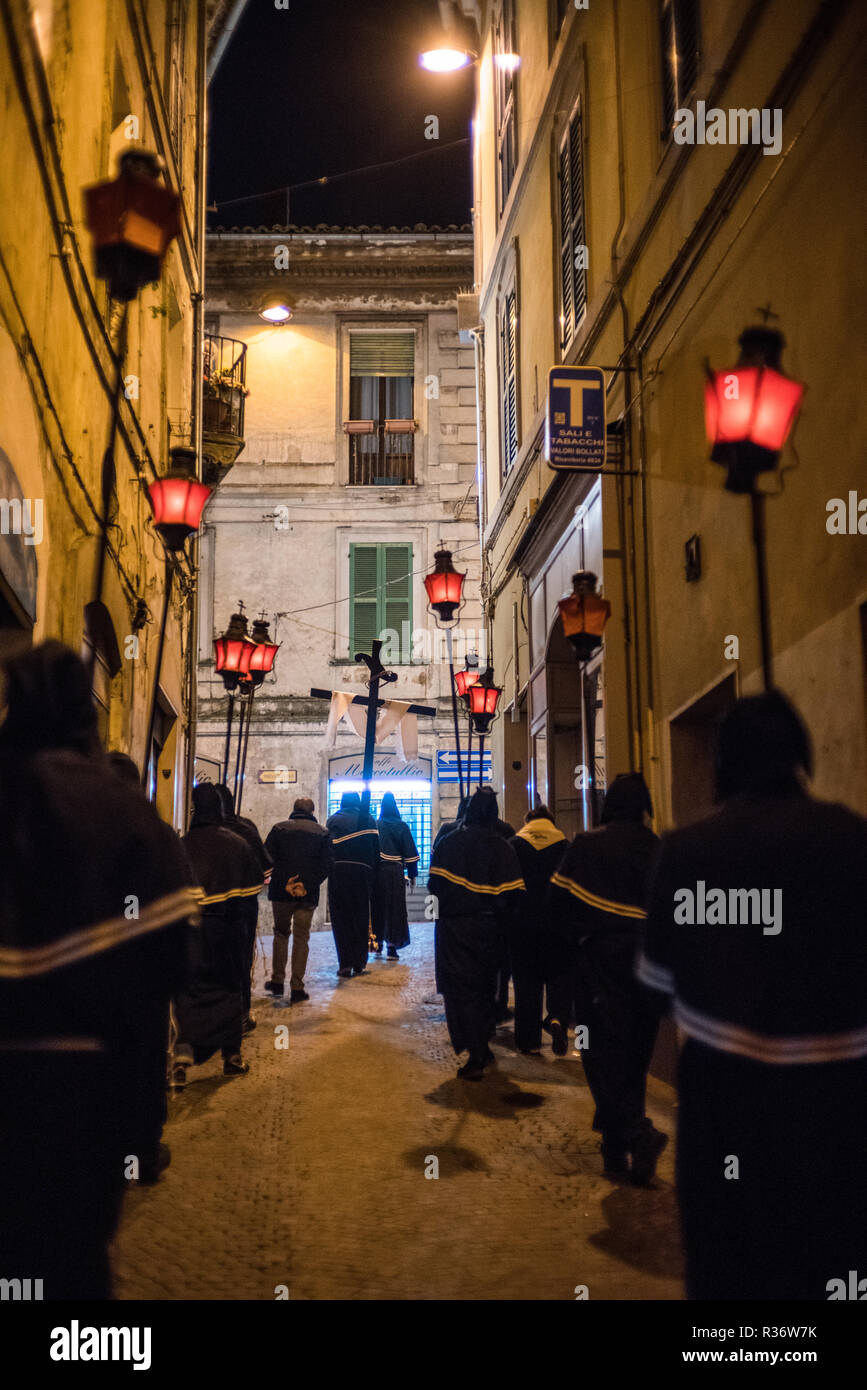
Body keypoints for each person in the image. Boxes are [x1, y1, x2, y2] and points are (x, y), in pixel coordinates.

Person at [637, 693, 867, 1299]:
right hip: (844, 1106)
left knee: (729, 1276)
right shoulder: (854, 840)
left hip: (727, 1107)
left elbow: (656, 986)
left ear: (722, 764)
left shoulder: (687, 853)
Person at [0, 642, 199, 1299]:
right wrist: (140, 1136)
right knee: (68, 1269)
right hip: (85, 1095)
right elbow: (164, 974)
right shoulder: (126, 817)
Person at [549, 773, 664, 1183]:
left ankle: (636, 1133)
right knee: (634, 1059)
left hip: (599, 968)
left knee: (600, 1058)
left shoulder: (586, 847)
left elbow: (557, 908)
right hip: (649, 972)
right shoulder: (658, 850)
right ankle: (615, 1151)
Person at [429, 788, 525, 1079]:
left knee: (461, 991)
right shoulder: (503, 847)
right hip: (491, 930)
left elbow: (435, 886)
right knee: (485, 989)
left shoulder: (449, 842)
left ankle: (476, 1050)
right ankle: (482, 1042)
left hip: (456, 930)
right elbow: (514, 898)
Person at [172, 783, 265, 1085]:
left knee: (189, 992)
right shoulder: (237, 845)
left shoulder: (181, 847)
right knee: (229, 990)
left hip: (191, 934)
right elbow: (252, 892)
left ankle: (182, 1056)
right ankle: (232, 1057)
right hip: (228, 933)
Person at [507, 806, 567, 1053]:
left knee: (526, 984)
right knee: (558, 977)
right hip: (558, 926)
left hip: (523, 925)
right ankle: (557, 1017)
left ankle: (528, 1040)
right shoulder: (566, 846)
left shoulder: (514, 845)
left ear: (527, 821)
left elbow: (508, 886)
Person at [264, 796, 332, 1001]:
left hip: (281, 893)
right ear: (312, 812)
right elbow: (328, 864)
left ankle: (277, 982)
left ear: (293, 809)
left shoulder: (278, 829)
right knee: (302, 937)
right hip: (307, 895)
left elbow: (266, 857)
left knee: (281, 933)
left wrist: (286, 881)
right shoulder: (323, 833)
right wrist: (306, 884)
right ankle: (297, 988)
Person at [214, 783, 271, 1029]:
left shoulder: (195, 833)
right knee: (241, 961)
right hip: (241, 909)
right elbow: (265, 869)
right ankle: (241, 1016)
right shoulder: (245, 829)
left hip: (205, 912)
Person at [326, 790, 380, 977]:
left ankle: (345, 963)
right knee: (361, 916)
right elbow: (376, 852)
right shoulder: (369, 820)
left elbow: (328, 849)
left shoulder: (333, 820)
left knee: (341, 918)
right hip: (363, 873)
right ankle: (359, 962)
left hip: (339, 872)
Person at [371, 792, 418, 960]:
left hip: (378, 872)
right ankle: (392, 947)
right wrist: (412, 875)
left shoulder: (376, 825)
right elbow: (411, 855)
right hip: (396, 873)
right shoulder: (402, 826)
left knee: (378, 907)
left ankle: (377, 944)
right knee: (395, 909)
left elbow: (371, 851)